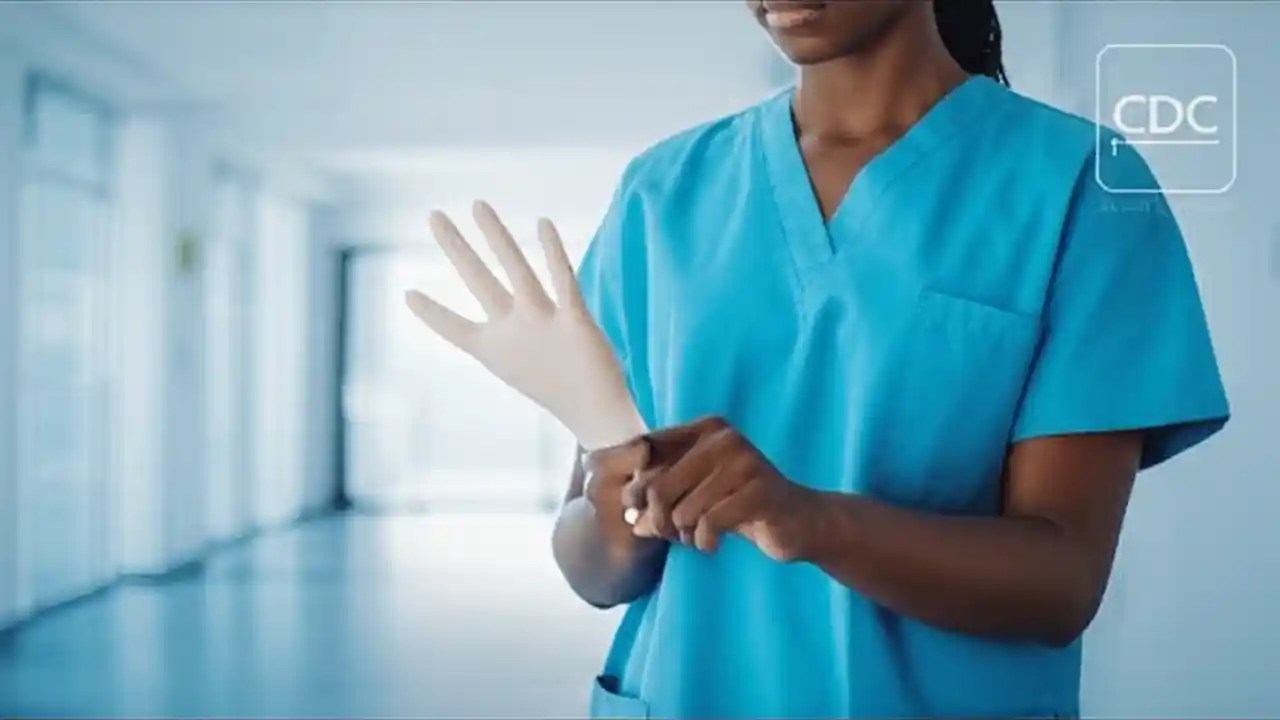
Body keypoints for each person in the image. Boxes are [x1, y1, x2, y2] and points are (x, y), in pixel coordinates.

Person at [405, 1, 1230, 717]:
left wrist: (810, 519)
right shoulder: (662, 194)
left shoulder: (1076, 187)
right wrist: (618, 513)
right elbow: (592, 563)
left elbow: (1061, 581)